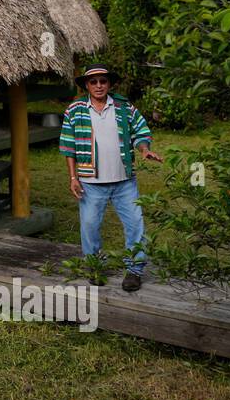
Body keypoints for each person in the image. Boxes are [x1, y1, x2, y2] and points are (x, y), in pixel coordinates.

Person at [58, 64, 162, 291]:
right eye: (93, 82)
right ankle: (95, 266)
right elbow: (68, 146)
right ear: (86, 85)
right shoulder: (75, 110)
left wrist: (144, 150)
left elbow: (140, 132)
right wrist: (73, 177)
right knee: (89, 226)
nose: (98, 86)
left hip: (124, 181)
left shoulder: (125, 107)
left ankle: (134, 271)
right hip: (90, 183)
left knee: (135, 225)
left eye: (103, 81)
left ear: (110, 84)